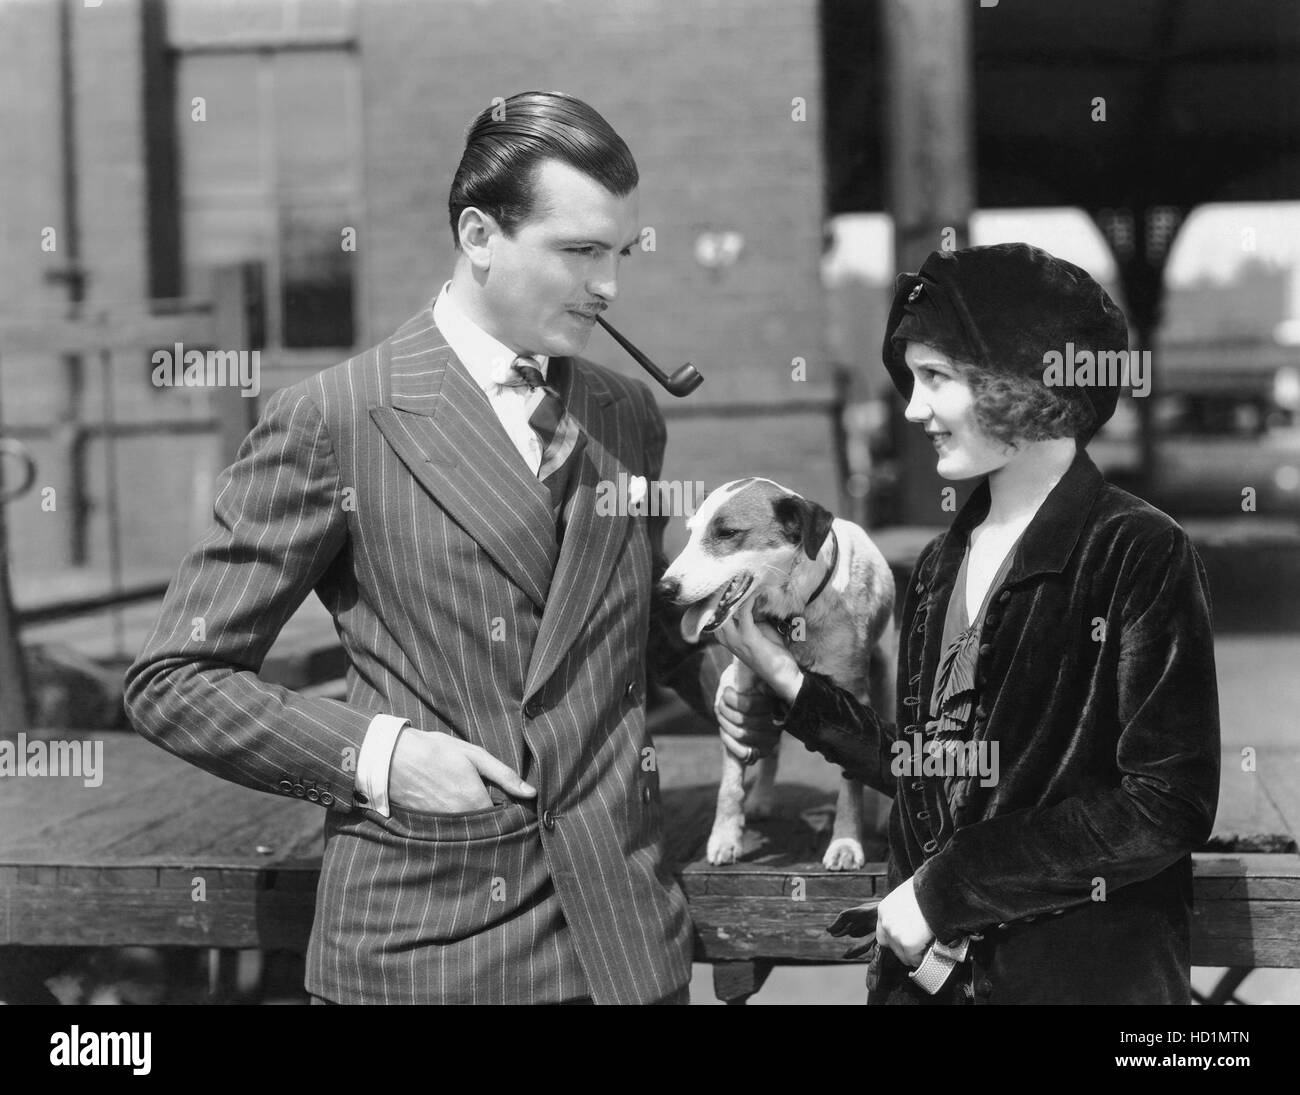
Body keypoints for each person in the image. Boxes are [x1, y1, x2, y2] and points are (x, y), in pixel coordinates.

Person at [125, 92, 726, 1005]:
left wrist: (777, 690)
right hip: (429, 954)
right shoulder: (334, 419)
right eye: (580, 252)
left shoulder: (626, 413)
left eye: (619, 254)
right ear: (479, 235)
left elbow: (628, 630)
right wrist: (381, 757)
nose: (610, 286)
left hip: (629, 948)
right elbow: (176, 676)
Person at [711, 242, 1221, 1004]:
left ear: (1021, 383)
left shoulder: (1138, 550)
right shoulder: (943, 561)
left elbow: (1164, 804)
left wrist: (942, 890)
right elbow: (935, 765)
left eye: (936, 378)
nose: (911, 407)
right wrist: (783, 674)